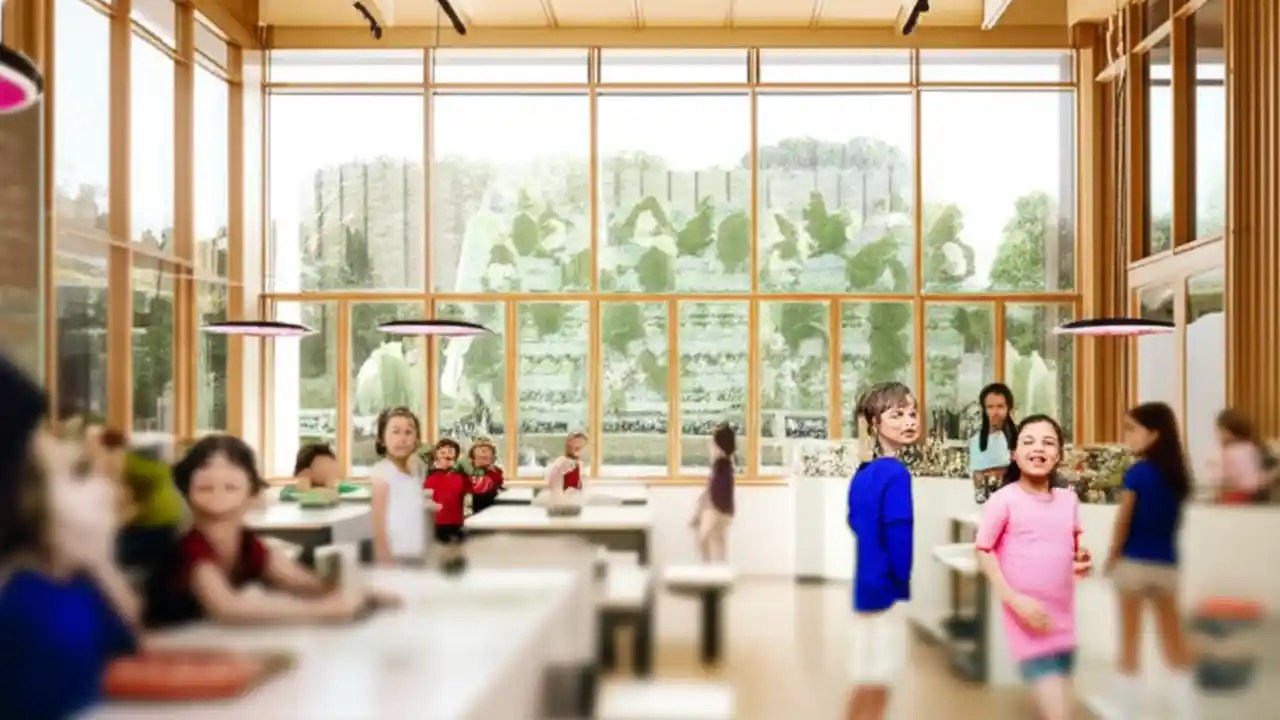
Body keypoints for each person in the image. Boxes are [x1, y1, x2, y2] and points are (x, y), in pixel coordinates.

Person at [0, 356, 140, 719]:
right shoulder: (32, 610)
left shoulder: (65, 589)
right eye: (77, 475)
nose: (107, 489)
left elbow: (126, 642)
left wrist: (98, 562)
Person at [145, 435, 373, 627]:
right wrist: (329, 609)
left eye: (230, 484)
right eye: (206, 483)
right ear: (187, 491)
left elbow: (305, 582)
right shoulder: (192, 548)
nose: (218, 475)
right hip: (170, 655)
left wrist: (363, 594)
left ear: (252, 494)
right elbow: (227, 608)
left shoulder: (248, 545)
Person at [975, 415, 1094, 720]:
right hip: (1026, 621)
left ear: (1059, 454)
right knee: (1061, 712)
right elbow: (984, 550)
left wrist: (1081, 562)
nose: (1038, 448)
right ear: (1014, 453)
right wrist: (1015, 601)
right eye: (1028, 442)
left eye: (1048, 442)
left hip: (1063, 623)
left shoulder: (1069, 500)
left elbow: (1074, 546)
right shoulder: (1004, 500)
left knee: (1054, 705)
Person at [1106, 402, 1196, 720]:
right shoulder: (1178, 476)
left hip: (1132, 565)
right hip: (1166, 567)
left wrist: (1111, 556)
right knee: (1175, 645)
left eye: (1132, 429)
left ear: (1154, 433)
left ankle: (1124, 713)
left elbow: (1124, 521)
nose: (1127, 436)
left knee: (1129, 643)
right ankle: (1186, 711)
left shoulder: (1138, 473)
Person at [845, 382, 919, 720]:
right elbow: (899, 532)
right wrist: (901, 579)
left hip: (865, 587)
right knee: (880, 682)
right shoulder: (896, 474)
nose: (909, 421)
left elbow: (855, 522)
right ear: (875, 424)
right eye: (898, 414)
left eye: (912, 413)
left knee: (866, 679)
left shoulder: (863, 473)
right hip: (887, 590)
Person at [85, 427, 185, 574]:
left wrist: (113, 526)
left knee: (112, 556)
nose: (88, 448)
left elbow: (127, 501)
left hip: (154, 521)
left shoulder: (120, 462)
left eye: (92, 443)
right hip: (167, 517)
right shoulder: (131, 459)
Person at [370, 407, 433, 566]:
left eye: (408, 432)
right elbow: (378, 529)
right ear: (382, 439)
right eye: (395, 432)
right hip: (395, 558)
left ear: (417, 439)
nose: (402, 438)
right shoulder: (382, 473)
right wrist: (385, 562)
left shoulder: (413, 473)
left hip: (415, 556)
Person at [690, 423, 735, 563]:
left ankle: (711, 572)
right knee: (716, 541)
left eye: (713, 444)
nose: (711, 447)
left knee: (707, 539)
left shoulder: (722, 464)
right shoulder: (722, 465)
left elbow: (714, 491)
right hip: (722, 509)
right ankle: (715, 572)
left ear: (719, 446)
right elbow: (712, 488)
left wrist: (700, 511)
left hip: (717, 509)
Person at [1211, 409, 1275, 504]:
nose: (1220, 435)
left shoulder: (1242, 450)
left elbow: (1249, 481)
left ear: (1232, 430)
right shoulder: (1233, 449)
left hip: (1240, 495)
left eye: (1222, 431)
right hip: (1231, 492)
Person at [969, 383, 1017, 504]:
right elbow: (979, 486)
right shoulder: (976, 441)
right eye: (990, 407)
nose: (995, 412)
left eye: (1000, 406)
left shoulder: (1024, 438)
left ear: (1009, 408)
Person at [425, 439, 471, 545]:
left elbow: (470, 493)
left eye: (450, 452)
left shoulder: (461, 476)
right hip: (435, 523)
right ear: (436, 455)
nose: (446, 456)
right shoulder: (429, 475)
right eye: (442, 452)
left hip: (457, 522)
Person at [281, 443, 361, 502]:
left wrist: (333, 489)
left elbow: (361, 491)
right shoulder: (294, 489)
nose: (332, 470)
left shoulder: (340, 487)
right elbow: (285, 495)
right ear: (306, 472)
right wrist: (305, 490)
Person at [460, 437, 504, 514]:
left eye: (487, 451)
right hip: (473, 510)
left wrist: (490, 469)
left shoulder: (496, 471)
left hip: (492, 510)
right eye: (480, 456)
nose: (483, 453)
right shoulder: (467, 471)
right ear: (473, 457)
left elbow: (497, 482)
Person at [545, 431, 589, 497]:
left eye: (579, 447)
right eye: (571, 447)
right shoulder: (562, 465)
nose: (574, 450)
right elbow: (557, 494)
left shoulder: (580, 466)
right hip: (565, 504)